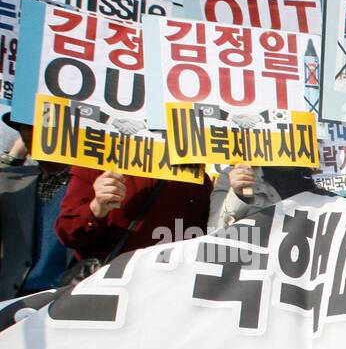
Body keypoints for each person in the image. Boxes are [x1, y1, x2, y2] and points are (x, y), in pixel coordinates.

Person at [56, 167, 212, 265]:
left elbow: (201, 240)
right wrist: (97, 208)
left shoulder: (193, 173)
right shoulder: (95, 164)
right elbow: (68, 234)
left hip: (166, 290)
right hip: (106, 289)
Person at [0, 112, 71, 298]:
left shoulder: (89, 183)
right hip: (11, 301)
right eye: (24, 129)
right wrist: (12, 158)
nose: (28, 135)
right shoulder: (11, 182)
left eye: (36, 128)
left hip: (66, 298)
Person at [208, 163, 329, 231]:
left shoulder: (318, 177)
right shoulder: (236, 175)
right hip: (256, 268)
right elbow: (215, 232)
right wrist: (238, 196)